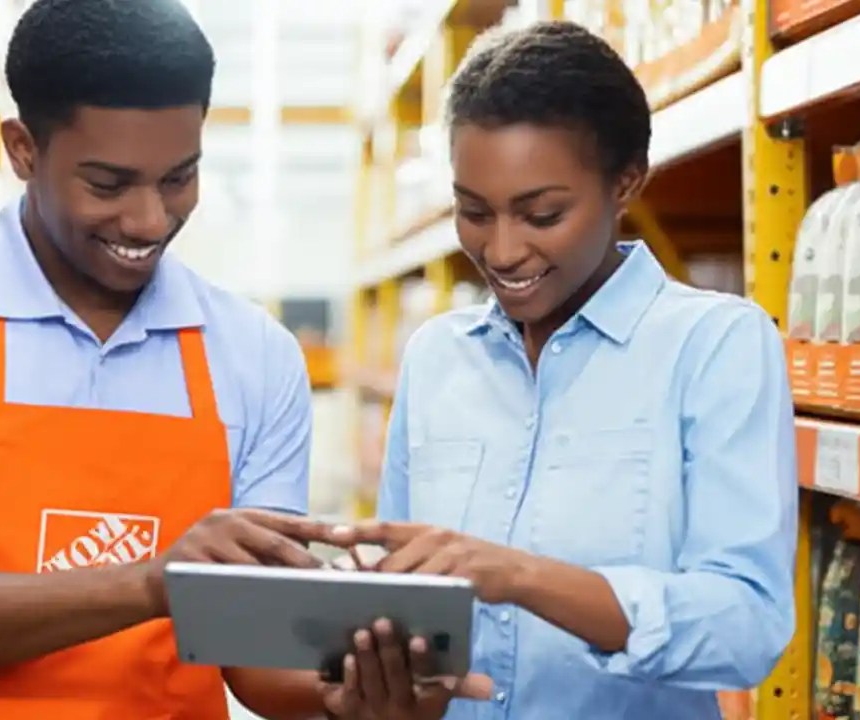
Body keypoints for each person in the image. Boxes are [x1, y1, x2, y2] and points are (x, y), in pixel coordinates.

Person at [0, 1, 463, 718]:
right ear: (23, 149)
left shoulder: (253, 354)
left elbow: (253, 655)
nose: (150, 221)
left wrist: (355, 689)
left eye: (179, 177)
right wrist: (155, 584)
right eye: (108, 184)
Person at [324, 20, 799, 720]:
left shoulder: (716, 345)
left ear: (625, 183)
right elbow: (406, 602)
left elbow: (747, 624)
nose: (503, 250)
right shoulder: (436, 357)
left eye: (542, 214)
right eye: (473, 211)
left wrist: (520, 577)